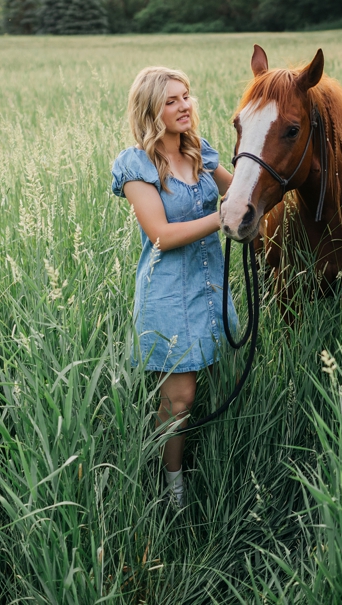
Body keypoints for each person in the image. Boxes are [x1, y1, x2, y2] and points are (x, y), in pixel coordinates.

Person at [110, 66, 238, 507]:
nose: (185, 106)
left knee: (213, 382)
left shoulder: (200, 152)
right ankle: (173, 490)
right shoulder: (136, 165)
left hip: (210, 287)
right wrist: (221, 218)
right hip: (169, 293)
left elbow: (238, 191)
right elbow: (160, 233)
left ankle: (213, 462)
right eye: (171, 101)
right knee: (179, 400)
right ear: (150, 110)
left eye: (187, 97)